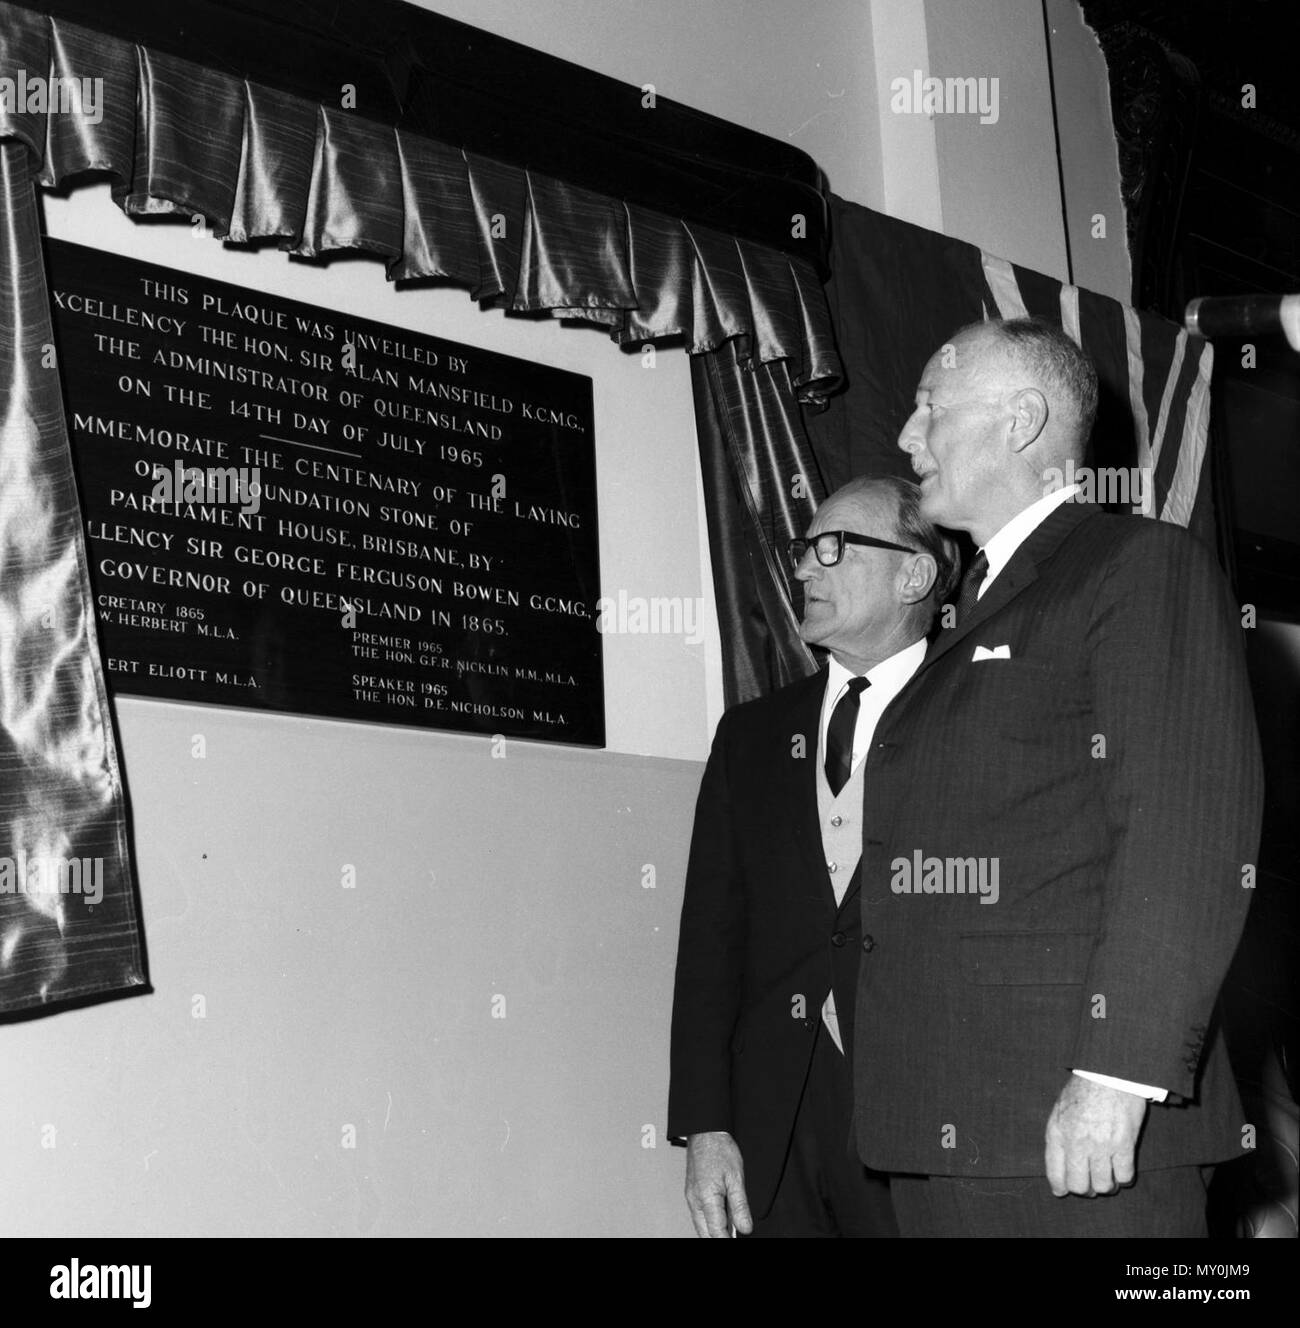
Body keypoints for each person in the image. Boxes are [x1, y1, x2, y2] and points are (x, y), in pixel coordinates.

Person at [848, 316, 1263, 1237]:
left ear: (1022, 421)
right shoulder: (970, 610)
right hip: (954, 1132)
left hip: (1075, 1141)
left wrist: (1116, 1077)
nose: (907, 437)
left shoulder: (1135, 567)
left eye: (929, 409)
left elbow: (1183, 832)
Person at [668, 475, 958, 1237]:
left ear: (914, 573)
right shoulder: (750, 737)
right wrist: (705, 1125)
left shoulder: (980, 718)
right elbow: (710, 945)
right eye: (803, 551)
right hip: (774, 1128)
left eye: (833, 549)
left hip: (931, 1122)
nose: (802, 569)